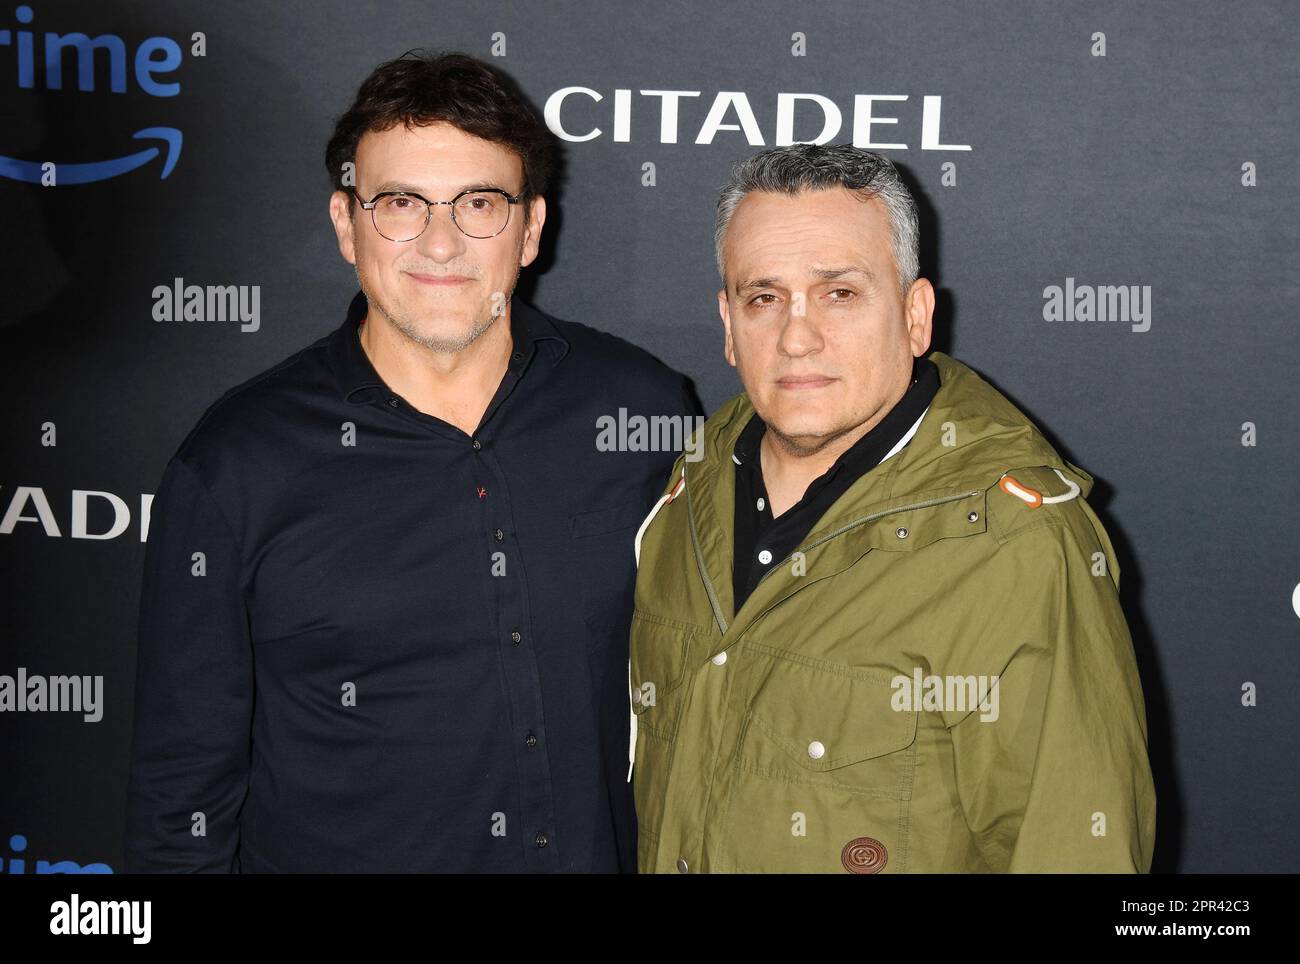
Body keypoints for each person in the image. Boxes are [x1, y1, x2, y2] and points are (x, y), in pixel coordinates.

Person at [125, 51, 699, 872]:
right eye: (399, 203)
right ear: (344, 223)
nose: (440, 243)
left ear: (531, 228)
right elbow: (179, 795)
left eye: (479, 204)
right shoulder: (237, 465)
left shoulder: (640, 410)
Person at [630, 143, 1156, 873]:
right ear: (727, 324)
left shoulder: (1016, 543)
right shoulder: (689, 486)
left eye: (839, 292)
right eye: (763, 297)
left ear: (915, 315)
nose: (796, 335)